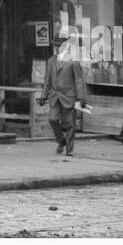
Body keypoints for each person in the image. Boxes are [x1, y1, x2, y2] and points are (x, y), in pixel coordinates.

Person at [38, 28, 89, 156]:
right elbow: (47, 80)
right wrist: (43, 96)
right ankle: (61, 141)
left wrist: (81, 97)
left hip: (69, 97)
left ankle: (69, 150)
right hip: (55, 97)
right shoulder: (50, 61)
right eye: (55, 45)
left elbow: (79, 80)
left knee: (70, 123)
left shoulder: (73, 62)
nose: (56, 47)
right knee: (52, 119)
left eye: (59, 45)